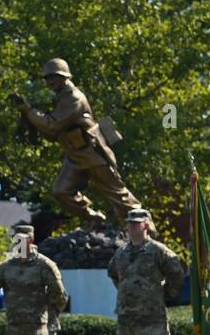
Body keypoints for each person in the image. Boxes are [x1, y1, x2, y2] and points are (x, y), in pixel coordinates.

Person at [12, 58, 140, 228]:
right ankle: (95, 219)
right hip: (75, 156)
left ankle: (147, 231)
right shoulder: (60, 99)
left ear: (64, 77)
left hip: (91, 153)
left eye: (53, 77)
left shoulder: (74, 98)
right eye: (47, 79)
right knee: (61, 191)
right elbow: (52, 134)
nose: (49, 82)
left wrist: (29, 111)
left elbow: (52, 126)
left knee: (119, 196)